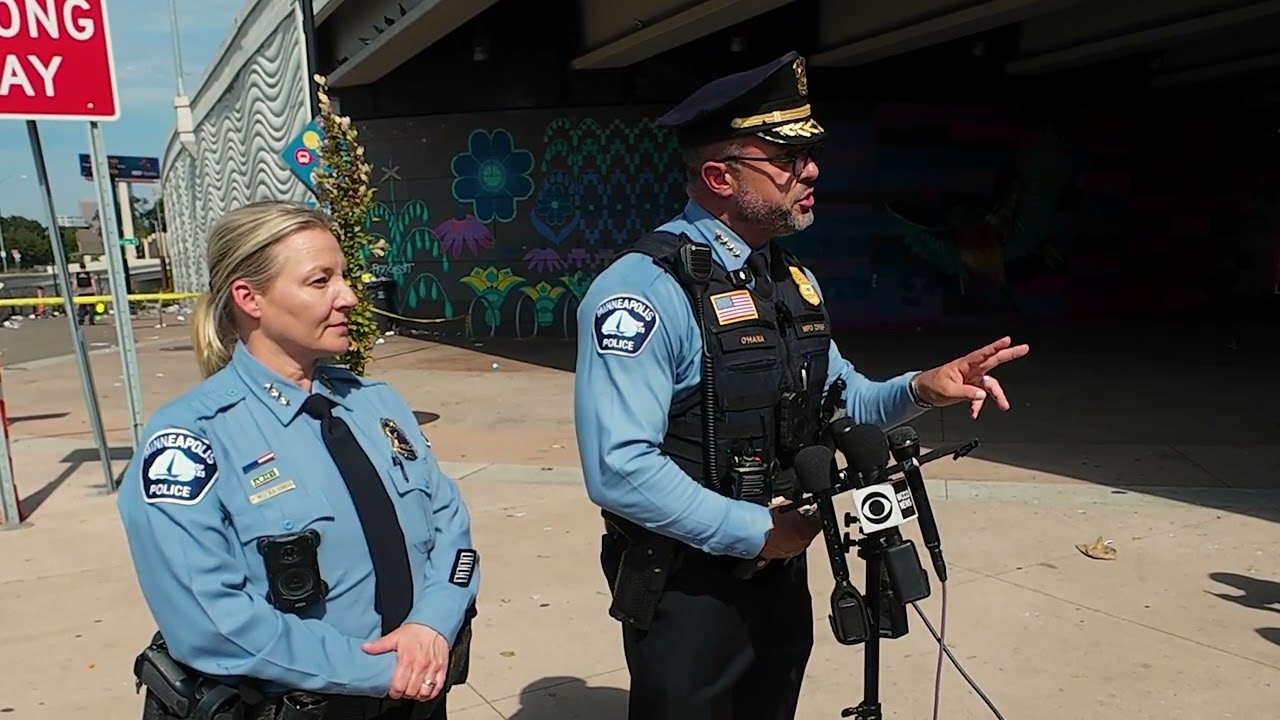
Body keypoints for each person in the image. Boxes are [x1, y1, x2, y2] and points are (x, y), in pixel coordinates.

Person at [573, 50, 1029, 720]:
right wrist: (756, 531)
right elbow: (619, 468)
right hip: (686, 587)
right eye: (785, 158)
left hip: (782, 568)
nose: (810, 170)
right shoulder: (644, 292)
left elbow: (842, 397)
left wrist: (923, 388)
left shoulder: (789, 280)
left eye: (809, 154)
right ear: (718, 176)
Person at [116, 201, 480, 720]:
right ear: (250, 298)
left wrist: (433, 624)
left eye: (344, 277)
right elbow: (211, 622)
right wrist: (382, 670)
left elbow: (450, 525)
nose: (348, 296)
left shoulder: (375, 404)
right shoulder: (191, 439)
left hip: (420, 693)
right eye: (320, 281)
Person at [74, 259, 97, 325]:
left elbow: (75, 284)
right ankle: (91, 320)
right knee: (91, 307)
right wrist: (95, 291)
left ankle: (81, 320)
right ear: (85, 267)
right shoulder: (90, 274)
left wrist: (74, 291)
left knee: (82, 307)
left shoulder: (76, 275)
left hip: (81, 292)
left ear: (79, 267)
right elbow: (93, 283)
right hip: (90, 292)